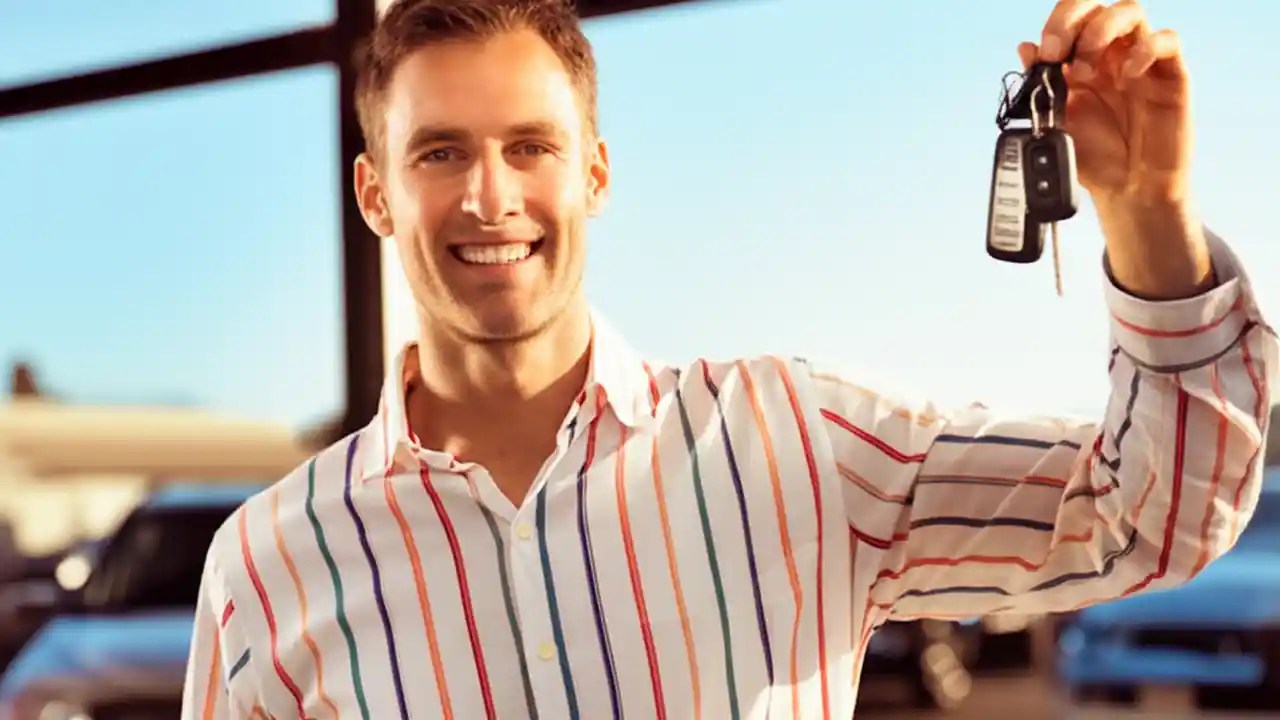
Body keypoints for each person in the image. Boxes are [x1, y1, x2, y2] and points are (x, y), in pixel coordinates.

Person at [181, 0, 1277, 717]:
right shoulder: (266, 570)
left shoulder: (800, 444)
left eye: (529, 147)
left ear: (595, 175)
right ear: (375, 192)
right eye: (438, 153)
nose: (488, 196)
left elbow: (1146, 516)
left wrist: (1145, 214)